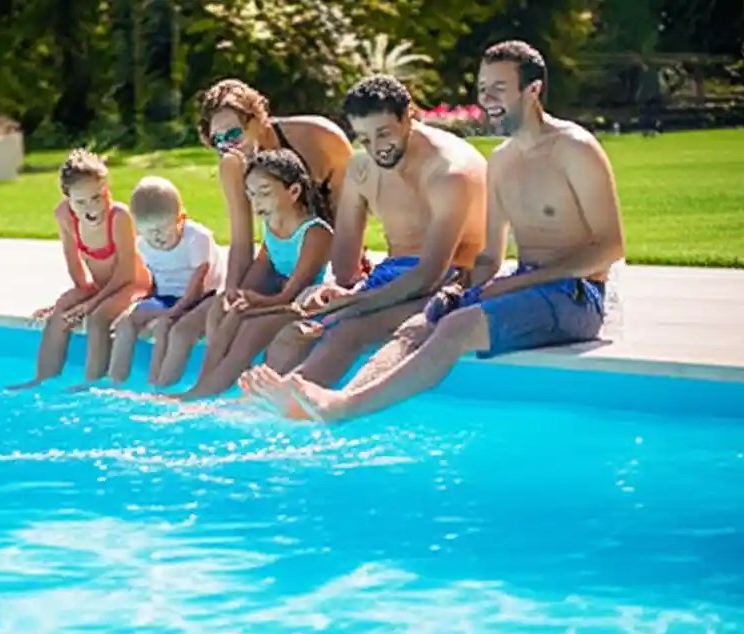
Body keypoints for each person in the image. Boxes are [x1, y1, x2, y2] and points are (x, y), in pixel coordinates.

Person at [246, 40, 626, 422]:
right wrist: (460, 291)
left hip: (577, 295)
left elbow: (609, 248)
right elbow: (491, 257)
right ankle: (325, 402)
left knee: (457, 326)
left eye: (499, 88)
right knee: (421, 322)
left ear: (533, 89)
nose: (487, 98)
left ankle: (342, 406)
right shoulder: (502, 159)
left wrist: (508, 286)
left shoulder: (575, 149)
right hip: (526, 285)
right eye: (482, 88)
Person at [242, 74, 487, 406]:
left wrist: (356, 304)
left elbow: (430, 272)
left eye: (383, 133)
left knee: (346, 330)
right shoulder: (362, 167)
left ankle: (314, 407)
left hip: (449, 281)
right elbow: (345, 262)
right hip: (392, 275)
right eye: (364, 139)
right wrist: (340, 292)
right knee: (297, 329)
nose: (376, 149)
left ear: (408, 117)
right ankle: (264, 407)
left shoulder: (447, 172)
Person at [157, 80, 365, 370]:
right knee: (210, 317)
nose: (229, 146)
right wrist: (231, 288)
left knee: (272, 322)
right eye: (219, 141)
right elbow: (242, 241)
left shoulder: (318, 138)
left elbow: (352, 215)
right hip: (282, 253)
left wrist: (342, 277)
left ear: (258, 119)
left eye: (234, 134)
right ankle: (211, 386)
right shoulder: (233, 163)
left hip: (324, 248)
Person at [172, 149, 333, 399]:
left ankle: (209, 389)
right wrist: (239, 291)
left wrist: (256, 302)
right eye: (251, 194)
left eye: (265, 193)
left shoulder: (315, 233)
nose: (256, 202)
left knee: (245, 323)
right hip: (281, 299)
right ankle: (205, 383)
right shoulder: (271, 222)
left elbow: (292, 294)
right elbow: (264, 260)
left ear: (294, 192)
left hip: (302, 305)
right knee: (221, 308)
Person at [8, 148, 151, 390]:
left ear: (106, 188)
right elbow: (72, 259)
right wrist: (79, 295)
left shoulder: (118, 217)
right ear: (68, 199)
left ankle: (92, 382)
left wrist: (90, 304)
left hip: (132, 285)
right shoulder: (64, 215)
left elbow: (126, 274)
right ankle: (42, 378)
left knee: (97, 318)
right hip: (101, 286)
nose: (92, 208)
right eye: (81, 202)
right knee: (60, 311)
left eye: (98, 197)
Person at [106, 176, 225, 386]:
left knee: (163, 327)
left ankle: (156, 385)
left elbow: (198, 281)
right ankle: (115, 383)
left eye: (162, 230)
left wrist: (174, 311)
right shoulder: (143, 245)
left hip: (200, 298)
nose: (157, 239)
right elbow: (155, 279)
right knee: (125, 323)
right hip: (167, 297)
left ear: (181, 219)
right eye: (149, 232)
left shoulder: (196, 239)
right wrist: (145, 304)